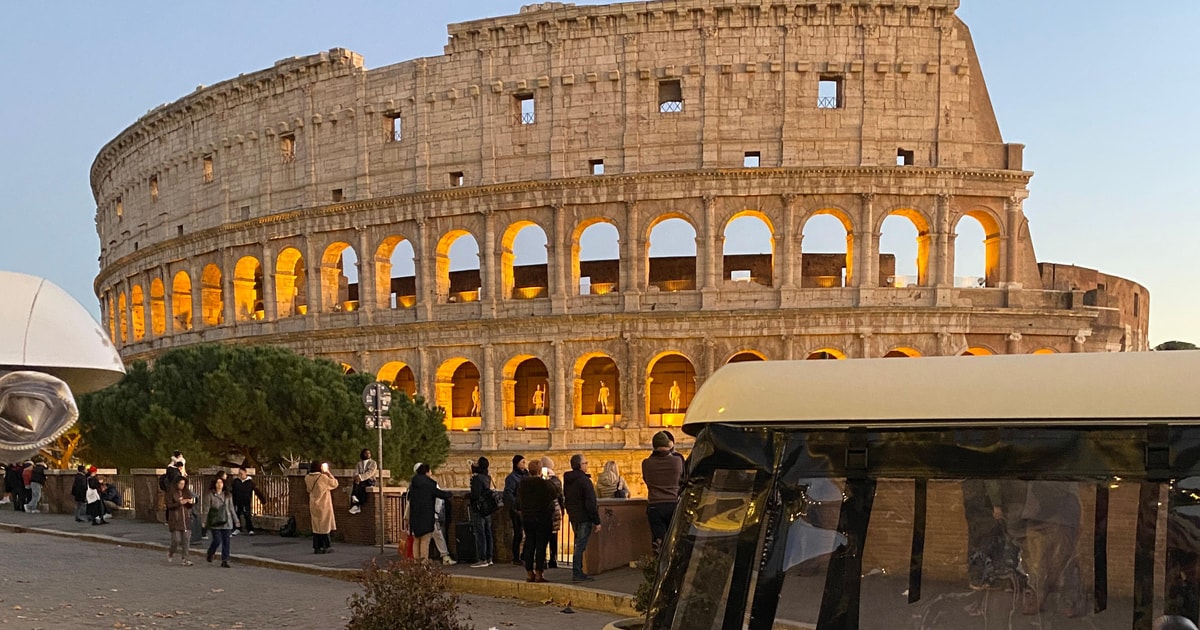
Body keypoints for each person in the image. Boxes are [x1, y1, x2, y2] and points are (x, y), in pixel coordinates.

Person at [643, 431, 684, 551]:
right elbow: (682, 478)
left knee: (659, 538)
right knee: (675, 539)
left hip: (655, 505)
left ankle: (659, 548)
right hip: (673, 503)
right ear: (668, 445)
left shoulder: (646, 463)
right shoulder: (677, 461)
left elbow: (646, 480)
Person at [564, 454, 602, 582]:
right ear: (580, 465)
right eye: (585, 463)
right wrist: (597, 521)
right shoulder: (584, 481)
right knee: (580, 546)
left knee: (577, 545)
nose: (587, 465)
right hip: (584, 517)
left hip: (574, 516)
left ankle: (578, 571)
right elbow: (590, 503)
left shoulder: (568, 481)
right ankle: (577, 572)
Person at [517, 459, 555, 583]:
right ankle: (539, 573)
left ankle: (529, 572)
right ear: (540, 470)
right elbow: (555, 493)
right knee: (541, 546)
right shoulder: (544, 484)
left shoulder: (523, 483)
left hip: (528, 518)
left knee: (529, 544)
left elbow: (518, 501)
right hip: (542, 518)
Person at [408, 462, 452, 562]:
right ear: (427, 472)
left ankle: (416, 561)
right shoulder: (429, 484)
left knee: (416, 539)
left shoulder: (413, 484)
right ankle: (424, 561)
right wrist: (450, 494)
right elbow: (440, 494)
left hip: (414, 515)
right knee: (425, 539)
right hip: (426, 516)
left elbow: (409, 499)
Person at [205, 477, 239, 568]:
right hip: (215, 520)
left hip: (226, 520)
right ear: (214, 484)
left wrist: (236, 520)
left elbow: (231, 508)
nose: (219, 484)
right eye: (217, 482)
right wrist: (204, 521)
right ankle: (211, 552)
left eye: (221, 482)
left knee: (226, 541)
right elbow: (207, 509)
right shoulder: (210, 495)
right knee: (217, 540)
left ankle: (225, 560)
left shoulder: (228, 495)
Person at [305, 461, 338, 554]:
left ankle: (317, 547)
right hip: (324, 504)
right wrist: (328, 472)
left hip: (313, 504)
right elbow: (335, 483)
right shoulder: (323, 478)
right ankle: (326, 546)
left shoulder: (307, 478)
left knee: (316, 526)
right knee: (325, 526)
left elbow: (308, 490)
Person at [468, 456, 496, 568]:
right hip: (487, 508)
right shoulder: (487, 477)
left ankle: (482, 558)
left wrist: (468, 496)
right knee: (488, 532)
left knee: (480, 534)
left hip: (479, 509)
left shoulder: (477, 479)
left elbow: (475, 494)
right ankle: (489, 558)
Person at [540, 455, 565, 569]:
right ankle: (553, 559)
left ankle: (542, 559)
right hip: (555, 510)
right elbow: (561, 496)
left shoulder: (540, 479)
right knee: (553, 535)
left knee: (542, 535)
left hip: (542, 510)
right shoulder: (556, 481)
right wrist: (562, 510)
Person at [503, 454, 528, 565]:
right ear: (517, 464)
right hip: (517, 510)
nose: (524, 464)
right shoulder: (512, 478)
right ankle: (516, 557)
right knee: (518, 534)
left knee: (528, 533)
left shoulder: (526, 475)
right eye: (522, 462)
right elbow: (508, 493)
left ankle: (525, 555)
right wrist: (516, 507)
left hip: (526, 509)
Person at [165, 476, 196, 565]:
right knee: (176, 540)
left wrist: (190, 502)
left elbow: (191, 503)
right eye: (180, 484)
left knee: (186, 540)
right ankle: (171, 552)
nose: (182, 485)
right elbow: (169, 506)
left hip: (186, 519)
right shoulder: (171, 492)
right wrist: (179, 503)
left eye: (183, 484)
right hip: (175, 519)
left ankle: (185, 559)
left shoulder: (186, 492)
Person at [230, 467, 264, 536]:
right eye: (239, 474)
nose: (240, 475)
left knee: (247, 516)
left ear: (245, 473)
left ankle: (250, 529)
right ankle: (237, 528)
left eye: (241, 473)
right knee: (236, 515)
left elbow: (257, 491)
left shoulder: (250, 482)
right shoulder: (236, 481)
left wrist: (263, 501)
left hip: (246, 501)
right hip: (237, 501)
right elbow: (232, 491)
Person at [349, 448, 378, 515]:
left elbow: (370, 473)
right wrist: (357, 477)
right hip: (361, 481)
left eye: (369, 453)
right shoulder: (359, 464)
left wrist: (360, 477)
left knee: (360, 484)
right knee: (356, 482)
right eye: (366, 453)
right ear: (363, 454)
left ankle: (355, 499)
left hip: (370, 480)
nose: (368, 454)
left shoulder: (373, 463)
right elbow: (355, 472)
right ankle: (355, 502)